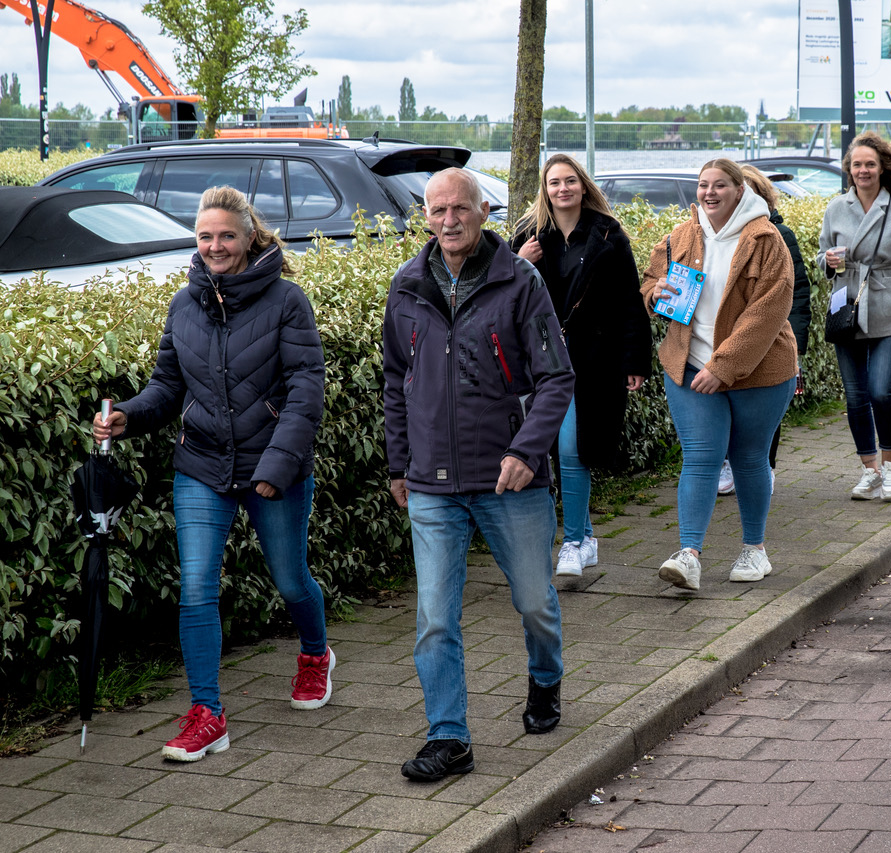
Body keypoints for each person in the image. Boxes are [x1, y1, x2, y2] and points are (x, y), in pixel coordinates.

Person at [92, 186, 330, 763]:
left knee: (291, 579)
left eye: (227, 235)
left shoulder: (287, 301)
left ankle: (316, 653)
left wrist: (275, 467)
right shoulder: (185, 303)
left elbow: (306, 392)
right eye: (205, 236)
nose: (215, 246)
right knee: (196, 587)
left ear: (250, 236)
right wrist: (129, 414)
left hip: (273, 467)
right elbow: (168, 386)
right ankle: (207, 713)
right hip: (200, 465)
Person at [383, 168, 574, 784]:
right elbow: (395, 382)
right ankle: (449, 737)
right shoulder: (406, 287)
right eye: (437, 211)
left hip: (508, 480)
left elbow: (555, 378)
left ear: (483, 211)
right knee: (435, 616)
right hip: (432, 484)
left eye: (459, 209)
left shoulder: (520, 282)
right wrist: (397, 461)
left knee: (535, 603)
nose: (448, 221)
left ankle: (545, 679)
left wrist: (525, 451)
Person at [640, 159, 797, 591]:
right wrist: (657, 292)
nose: (709, 193)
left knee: (749, 457)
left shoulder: (767, 239)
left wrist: (722, 367)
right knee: (701, 455)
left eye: (720, 185)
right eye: (703, 185)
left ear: (740, 189)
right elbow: (651, 281)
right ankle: (689, 555)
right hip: (689, 367)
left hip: (760, 371)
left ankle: (754, 550)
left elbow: (769, 312)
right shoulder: (682, 235)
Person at [510, 154, 652, 577]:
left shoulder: (609, 234)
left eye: (569, 181)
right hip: (541, 358)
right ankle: (585, 536)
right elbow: (498, 293)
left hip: (594, 359)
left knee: (574, 450)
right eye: (554, 183)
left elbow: (630, 302)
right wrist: (521, 261)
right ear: (545, 189)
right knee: (553, 451)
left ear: (583, 185)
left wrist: (635, 360)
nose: (562, 189)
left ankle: (571, 542)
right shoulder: (527, 236)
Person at [816, 132, 891, 501]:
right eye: (856, 164)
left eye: (870, 164)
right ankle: (870, 470)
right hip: (846, 304)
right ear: (848, 170)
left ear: (882, 167)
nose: (863, 170)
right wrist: (829, 261)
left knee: (882, 391)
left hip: (889, 307)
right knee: (854, 396)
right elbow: (822, 258)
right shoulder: (836, 207)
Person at [715, 164, 811, 497]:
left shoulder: (777, 235)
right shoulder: (717, 236)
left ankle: (763, 466)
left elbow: (796, 293)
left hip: (771, 340)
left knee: (763, 409)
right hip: (726, 338)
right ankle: (730, 463)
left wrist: (795, 345)